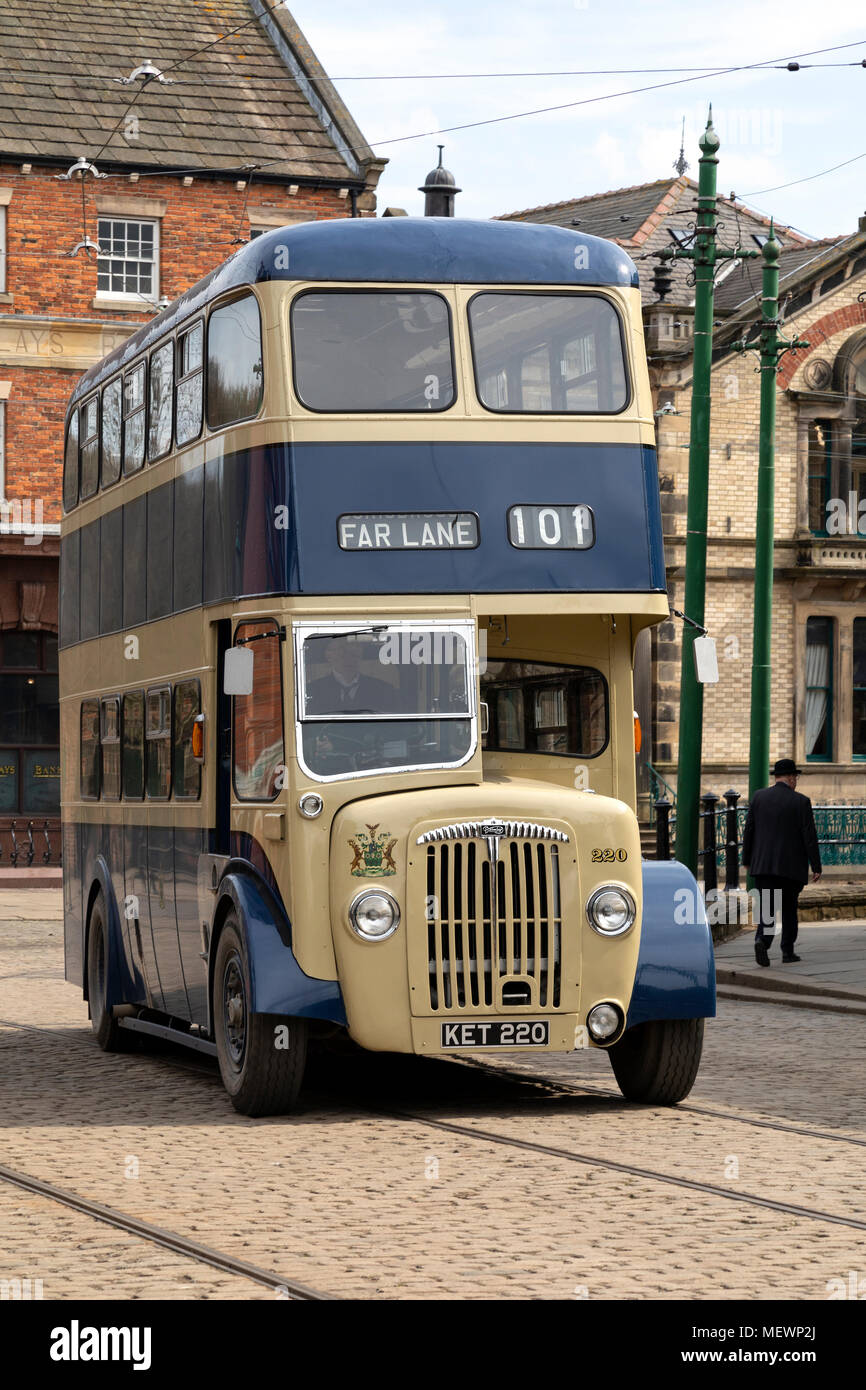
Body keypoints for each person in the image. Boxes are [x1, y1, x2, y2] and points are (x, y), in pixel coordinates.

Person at [741, 758, 822, 967]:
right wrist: (816, 866)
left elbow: (749, 830)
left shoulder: (759, 797)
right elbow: (809, 837)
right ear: (791, 778)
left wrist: (747, 859)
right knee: (788, 909)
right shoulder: (801, 802)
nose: (796, 781)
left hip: (764, 866)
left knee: (767, 907)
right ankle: (787, 951)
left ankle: (762, 941)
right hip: (790, 867)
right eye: (796, 777)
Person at [306, 635, 396, 715]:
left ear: (360, 656)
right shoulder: (312, 691)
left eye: (353, 655)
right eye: (341, 654)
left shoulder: (382, 690)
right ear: (328, 656)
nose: (347, 659)